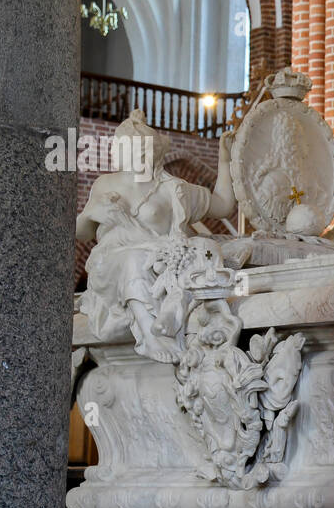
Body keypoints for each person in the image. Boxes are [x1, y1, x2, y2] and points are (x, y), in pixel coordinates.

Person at [75, 110, 237, 362]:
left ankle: (169, 313)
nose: (113, 150)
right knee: (134, 260)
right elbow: (81, 233)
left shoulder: (174, 189)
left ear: (140, 150)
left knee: (199, 249)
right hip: (113, 261)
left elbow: (224, 205)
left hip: (163, 258)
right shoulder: (105, 184)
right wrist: (92, 215)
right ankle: (149, 335)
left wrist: (225, 160)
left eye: (119, 145)